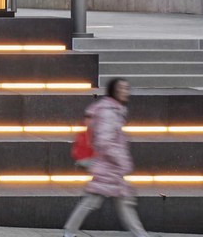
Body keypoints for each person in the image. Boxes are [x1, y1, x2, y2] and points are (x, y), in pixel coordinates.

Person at [63, 78, 150, 237]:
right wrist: (121, 160)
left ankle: (69, 232)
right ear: (114, 91)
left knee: (119, 202)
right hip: (108, 166)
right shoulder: (109, 112)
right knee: (97, 201)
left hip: (110, 166)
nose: (126, 91)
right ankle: (68, 232)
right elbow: (104, 141)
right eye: (122, 88)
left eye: (126, 88)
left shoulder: (114, 110)